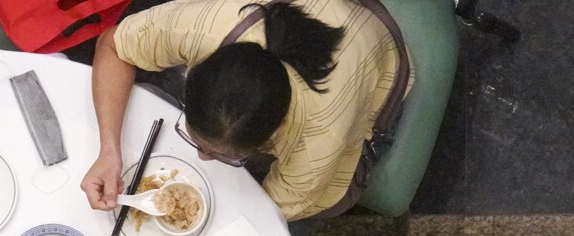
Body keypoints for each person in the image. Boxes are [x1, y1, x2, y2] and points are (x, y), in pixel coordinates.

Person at [80, 0, 409, 223]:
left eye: (225, 155)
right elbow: (114, 45)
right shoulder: (209, 27)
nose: (203, 158)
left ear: (274, 134)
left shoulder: (319, 135)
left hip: (376, 57)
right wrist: (109, 151)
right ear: (193, 73)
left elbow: (269, 213)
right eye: (197, 140)